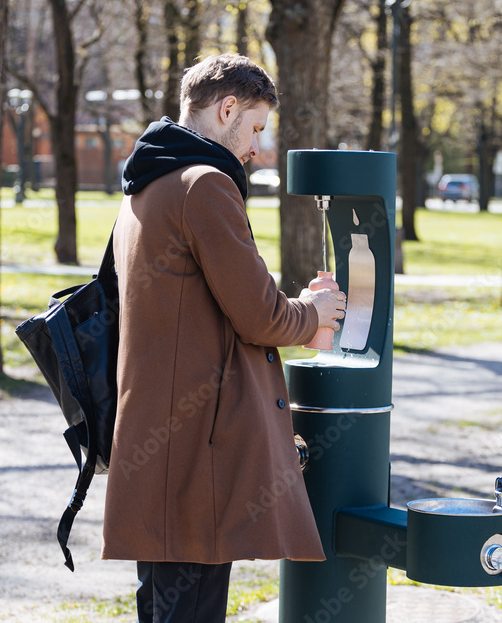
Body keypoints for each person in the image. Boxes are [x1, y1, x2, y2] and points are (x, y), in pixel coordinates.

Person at [102, 54, 346, 623]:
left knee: (163, 606)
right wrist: (313, 313)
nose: (256, 148)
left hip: (154, 438)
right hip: (199, 447)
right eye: (255, 127)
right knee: (190, 610)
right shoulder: (205, 185)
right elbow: (259, 315)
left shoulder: (145, 184)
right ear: (227, 108)